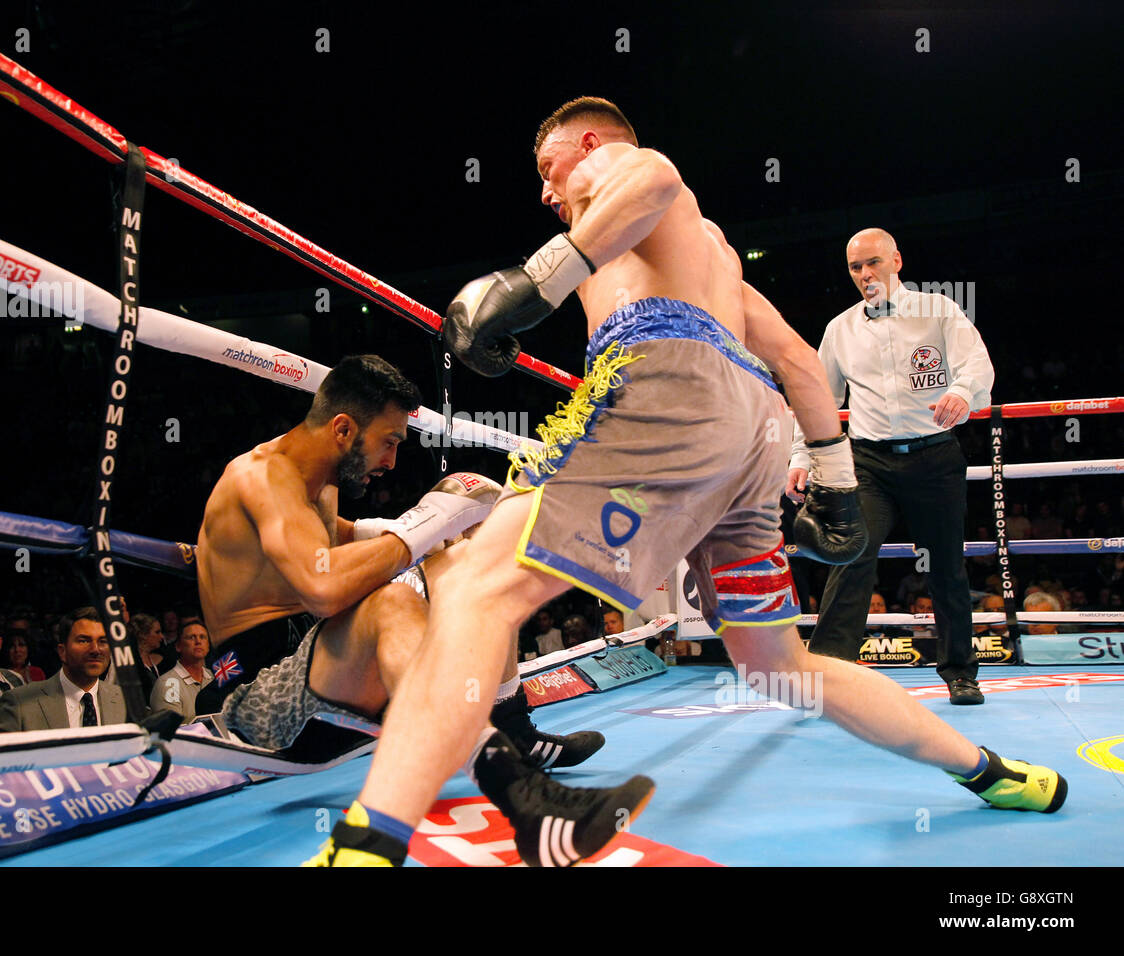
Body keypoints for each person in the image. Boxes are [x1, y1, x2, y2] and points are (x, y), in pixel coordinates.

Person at [309, 97, 1065, 867]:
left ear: (590, 144)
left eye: (548, 169)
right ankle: (991, 771)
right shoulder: (714, 257)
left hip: (670, 392)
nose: (545, 191)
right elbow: (801, 362)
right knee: (780, 667)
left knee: (475, 585)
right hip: (751, 433)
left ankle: (366, 846)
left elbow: (656, 174)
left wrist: (534, 281)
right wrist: (835, 485)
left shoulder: (616, 175)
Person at [196, 355, 602, 780]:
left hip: (324, 668)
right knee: (393, 599)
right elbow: (322, 589)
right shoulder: (263, 477)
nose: (391, 462)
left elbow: (333, 537)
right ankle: (487, 756)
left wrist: (429, 533)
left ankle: (512, 727)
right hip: (264, 700)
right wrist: (421, 525)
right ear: (342, 428)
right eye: (389, 441)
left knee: (469, 558)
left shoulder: (316, 480)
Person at [788, 227, 994, 705]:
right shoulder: (840, 329)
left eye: (873, 263)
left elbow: (977, 364)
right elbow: (820, 400)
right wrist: (800, 455)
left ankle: (961, 673)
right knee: (851, 555)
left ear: (896, 260)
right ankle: (826, 675)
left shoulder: (938, 310)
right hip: (870, 463)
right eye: (856, 267)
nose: (865, 274)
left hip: (935, 457)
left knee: (946, 567)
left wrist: (962, 392)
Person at [0, 607, 126, 731]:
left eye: (103, 641)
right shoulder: (20, 703)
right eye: (84, 640)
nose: (95, 650)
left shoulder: (125, 699)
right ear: (62, 652)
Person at [150, 619, 213, 722]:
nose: (198, 642)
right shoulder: (168, 684)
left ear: (208, 646)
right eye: (191, 637)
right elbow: (170, 731)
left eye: (202, 637)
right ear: (178, 646)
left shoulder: (213, 677)